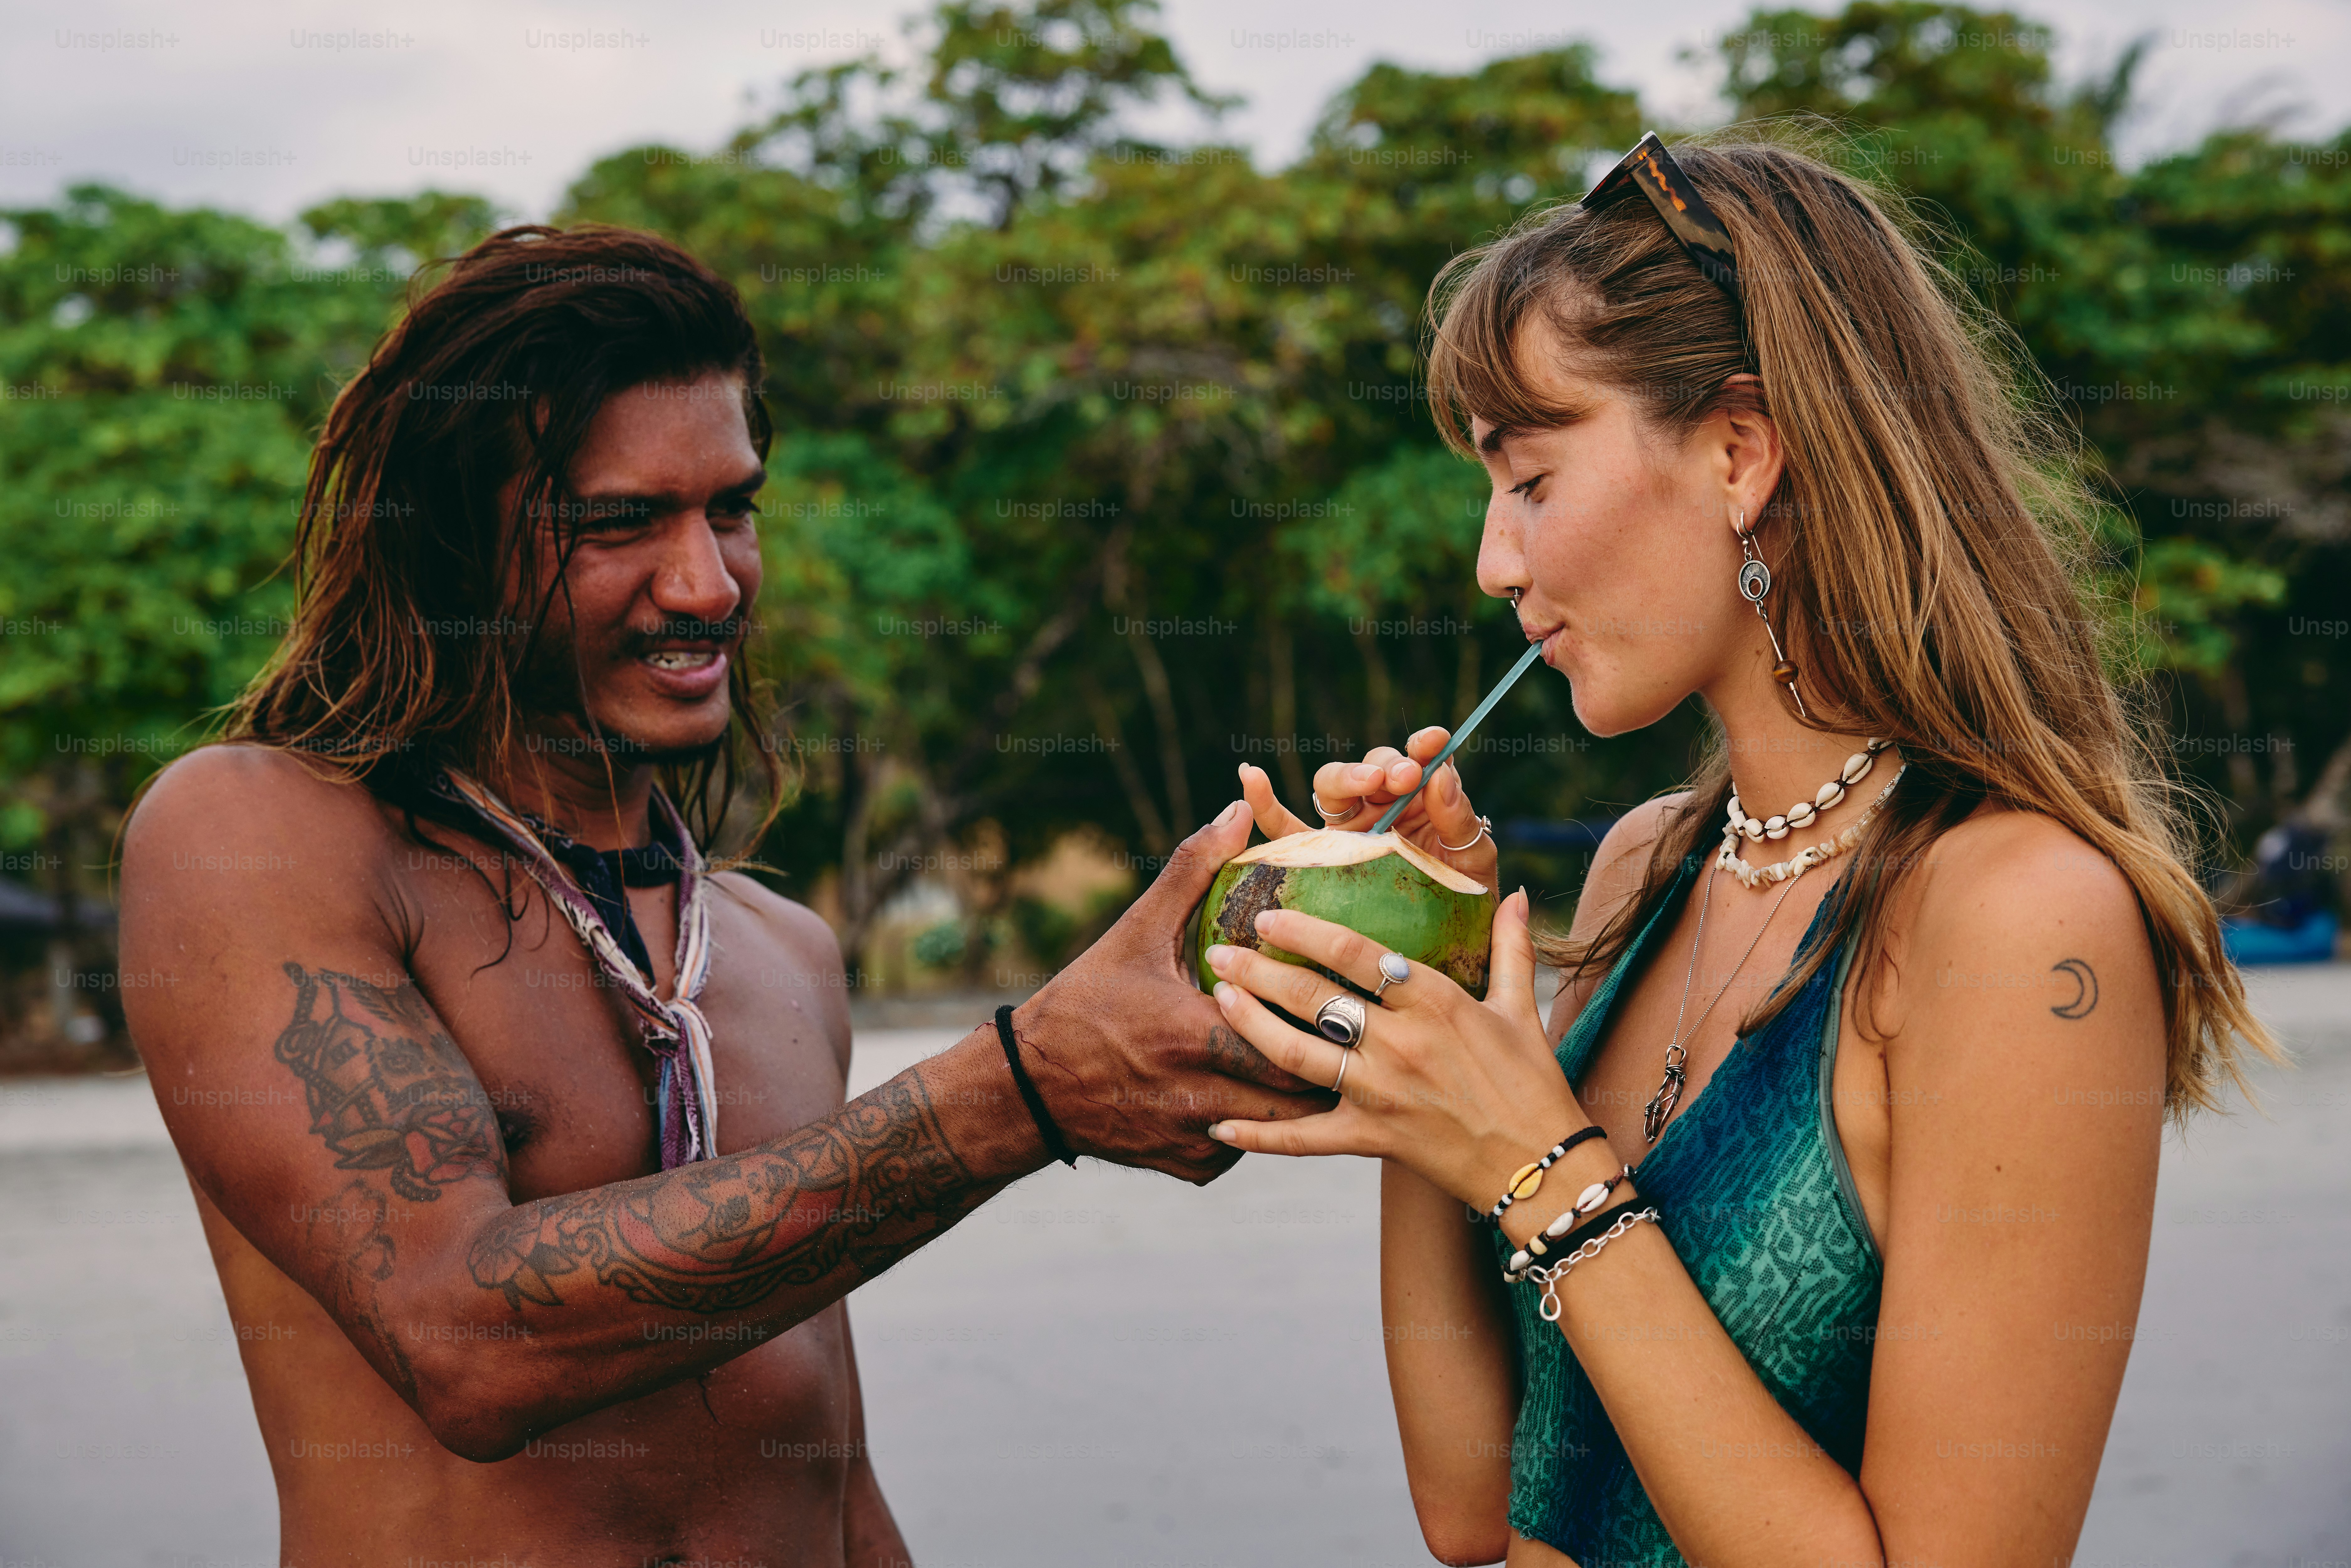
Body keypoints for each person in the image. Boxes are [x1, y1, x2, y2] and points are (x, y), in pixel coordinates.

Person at [117, 224, 1323, 1566]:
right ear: (452, 545)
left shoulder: (776, 952)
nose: (704, 585)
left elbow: (829, 1479)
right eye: (618, 524)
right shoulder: (261, 834)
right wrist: (1027, 1089)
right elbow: (466, 1343)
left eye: (731, 509)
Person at [1210, 132, 2276, 1567]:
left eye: (1528, 481)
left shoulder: (2022, 921)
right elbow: (1471, 1508)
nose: (1493, 563)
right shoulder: (1646, 864)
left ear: (1737, 452)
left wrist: (1549, 1176)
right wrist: (1437, 995)